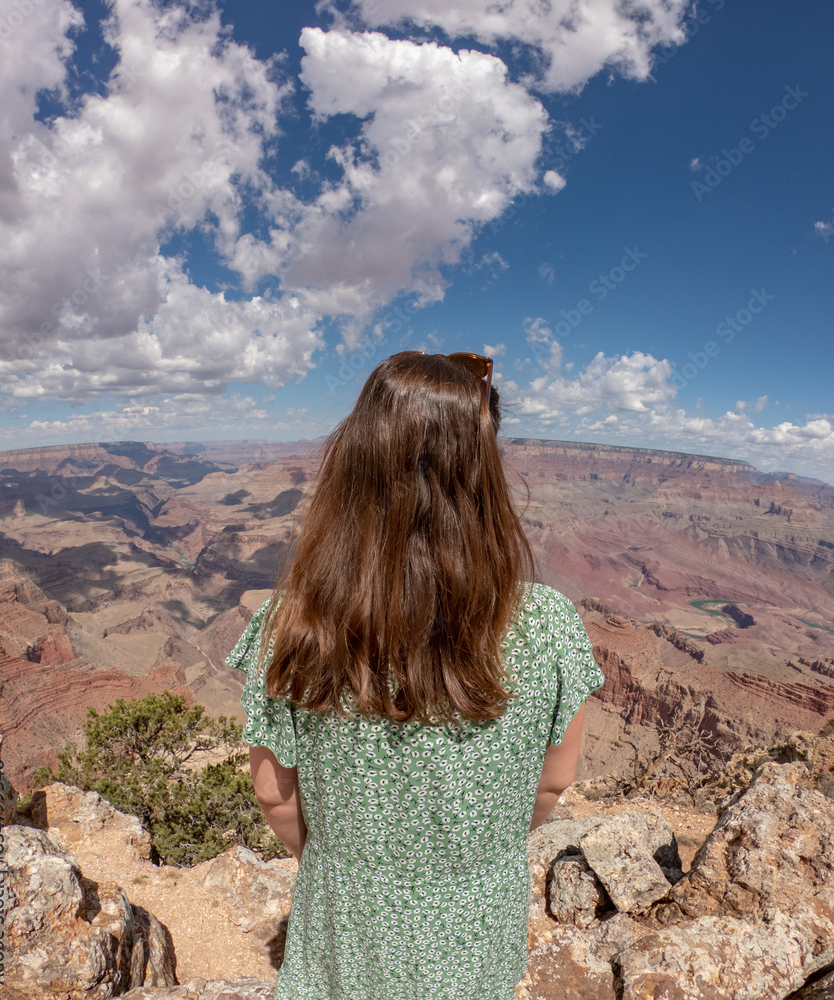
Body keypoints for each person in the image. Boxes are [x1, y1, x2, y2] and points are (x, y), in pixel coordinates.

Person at [226, 351, 604, 1000]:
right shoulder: (549, 623)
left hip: (345, 922)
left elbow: (274, 795)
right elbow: (556, 781)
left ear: (357, 462)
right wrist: (479, 850)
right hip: (477, 926)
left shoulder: (293, 623)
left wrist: (340, 866)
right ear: (484, 473)